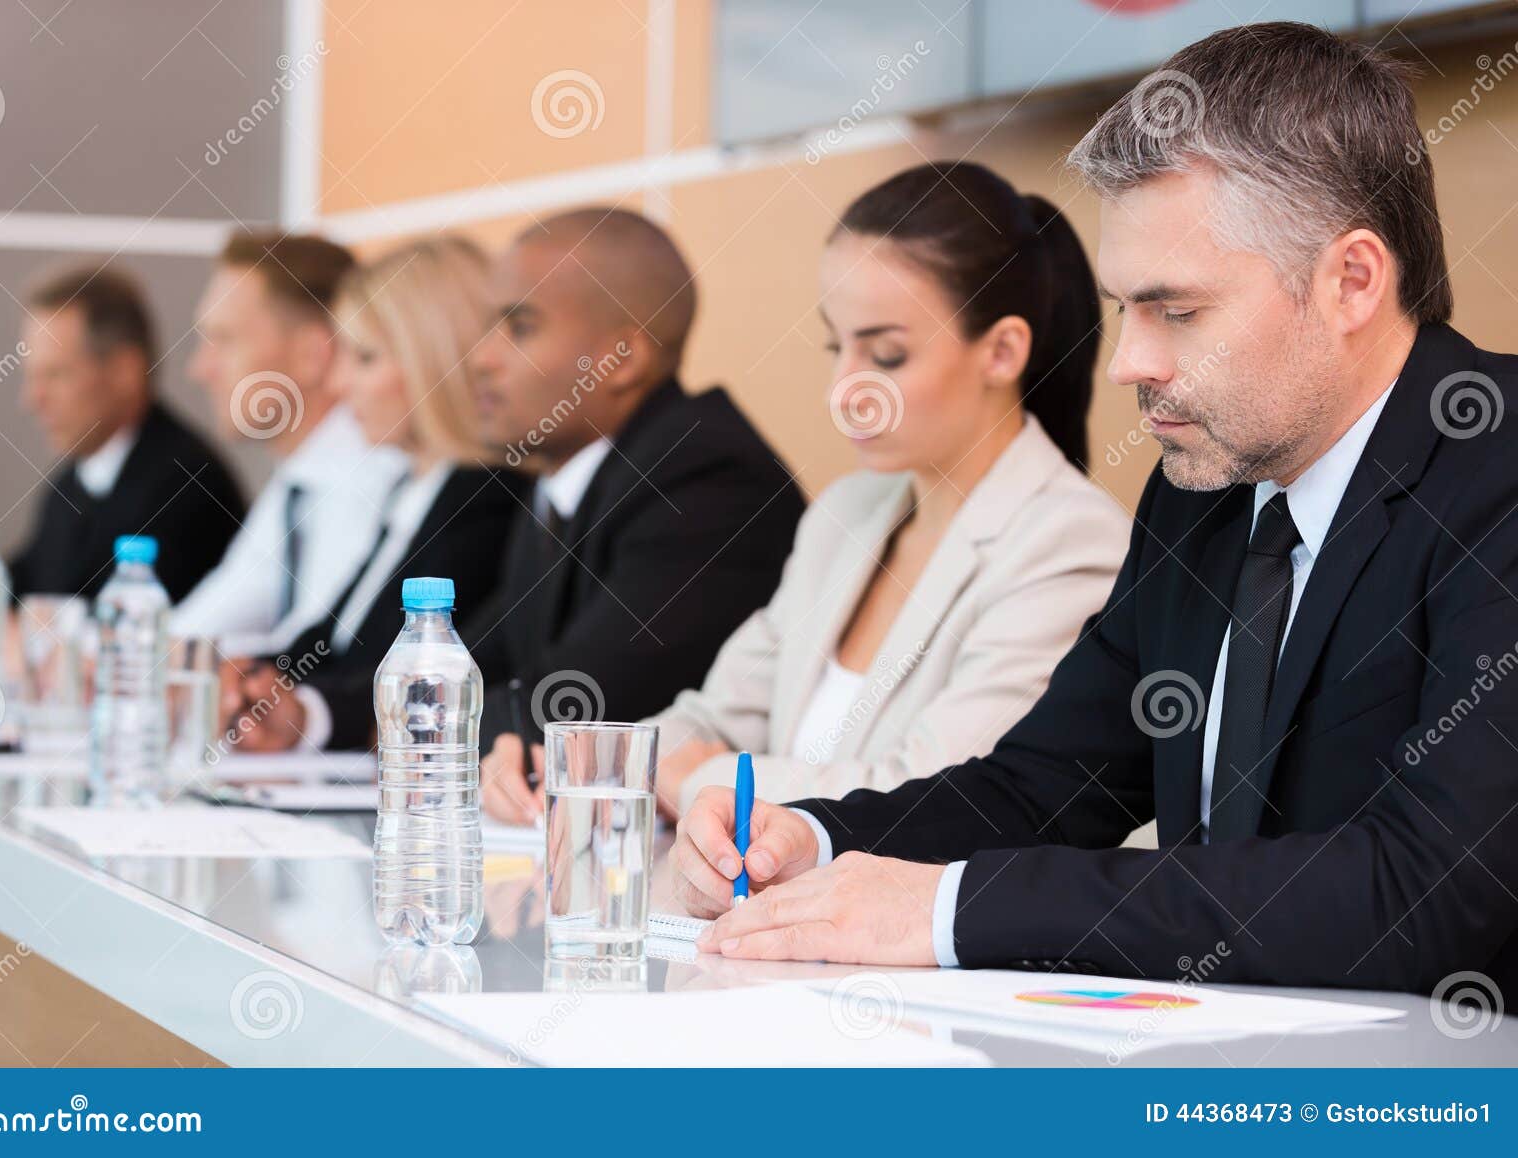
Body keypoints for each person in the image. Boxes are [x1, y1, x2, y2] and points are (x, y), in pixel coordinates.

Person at [671, 22, 1518, 997]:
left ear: (1350, 282)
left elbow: (1422, 892)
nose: (1129, 364)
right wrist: (817, 838)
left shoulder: (1493, 472)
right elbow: (1045, 783)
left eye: (1178, 311)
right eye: (1124, 311)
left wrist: (949, 910)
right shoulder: (1197, 493)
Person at [480, 163, 1129, 824]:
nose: (843, 390)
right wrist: (567, 762)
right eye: (836, 347)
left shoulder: (1068, 541)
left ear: (1000, 352)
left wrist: (706, 779)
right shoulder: (844, 516)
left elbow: (939, 795)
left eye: (886, 355)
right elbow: (716, 716)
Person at [471, 207, 804, 791]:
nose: (482, 359)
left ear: (621, 360)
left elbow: (574, 714)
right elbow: (475, 664)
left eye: (519, 328)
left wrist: (410, 716)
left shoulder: (708, 480)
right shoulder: (563, 479)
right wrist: (314, 710)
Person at [219, 235, 521, 752]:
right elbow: (337, 638)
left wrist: (303, 708)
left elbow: (411, 674)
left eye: (363, 357)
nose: (338, 384)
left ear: (431, 360)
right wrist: (258, 679)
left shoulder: (488, 498)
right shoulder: (413, 488)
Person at [172, 231, 409, 654]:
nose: (200, 368)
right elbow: (211, 617)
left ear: (311, 355)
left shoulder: (377, 478)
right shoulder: (299, 482)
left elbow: (322, 658)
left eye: (224, 340)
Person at [10, 266, 243, 601]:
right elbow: (24, 580)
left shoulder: (188, 486)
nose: (33, 399)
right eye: (33, 377)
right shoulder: (67, 486)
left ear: (125, 371)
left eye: (56, 374)